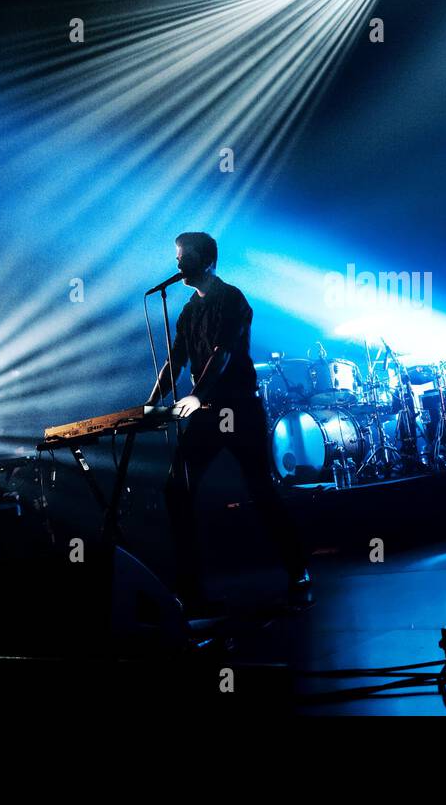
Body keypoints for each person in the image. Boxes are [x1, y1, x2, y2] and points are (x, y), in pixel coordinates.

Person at [147, 232, 310, 614]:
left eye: (183, 256)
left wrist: (195, 396)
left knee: (261, 490)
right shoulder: (188, 310)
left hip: (237, 409)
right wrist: (151, 403)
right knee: (177, 490)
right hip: (206, 413)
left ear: (205, 260)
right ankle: (191, 590)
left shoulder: (232, 299)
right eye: (177, 256)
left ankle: (297, 568)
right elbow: (176, 361)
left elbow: (222, 354)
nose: (177, 263)